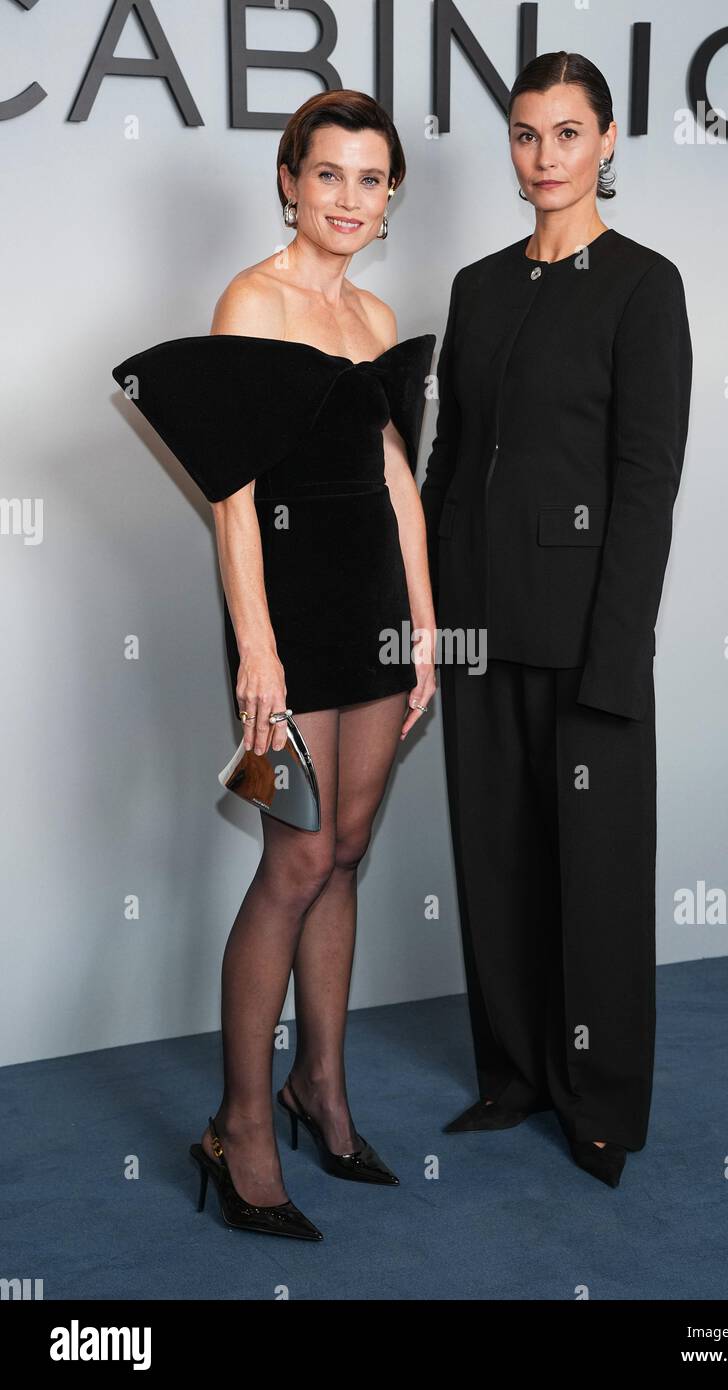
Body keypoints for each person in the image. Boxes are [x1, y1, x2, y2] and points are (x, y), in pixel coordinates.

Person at [112, 90, 436, 1237]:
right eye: (330, 174)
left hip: (375, 618)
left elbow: (399, 483)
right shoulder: (251, 298)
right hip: (288, 625)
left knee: (344, 855)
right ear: (290, 181)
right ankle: (240, 1126)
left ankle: (322, 1090)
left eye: (371, 178)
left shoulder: (377, 309)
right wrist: (256, 648)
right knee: (291, 867)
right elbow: (233, 490)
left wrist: (427, 624)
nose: (349, 197)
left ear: (389, 197)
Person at [420, 51, 692, 1189]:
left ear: (608, 140)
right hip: (477, 631)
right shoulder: (477, 288)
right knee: (494, 863)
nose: (543, 158)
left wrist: (616, 649)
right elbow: (444, 464)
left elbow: (644, 481)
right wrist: (422, 620)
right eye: (526, 135)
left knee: (596, 874)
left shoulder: (642, 283)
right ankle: (516, 1073)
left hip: (585, 635)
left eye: (566, 134)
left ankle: (599, 1104)